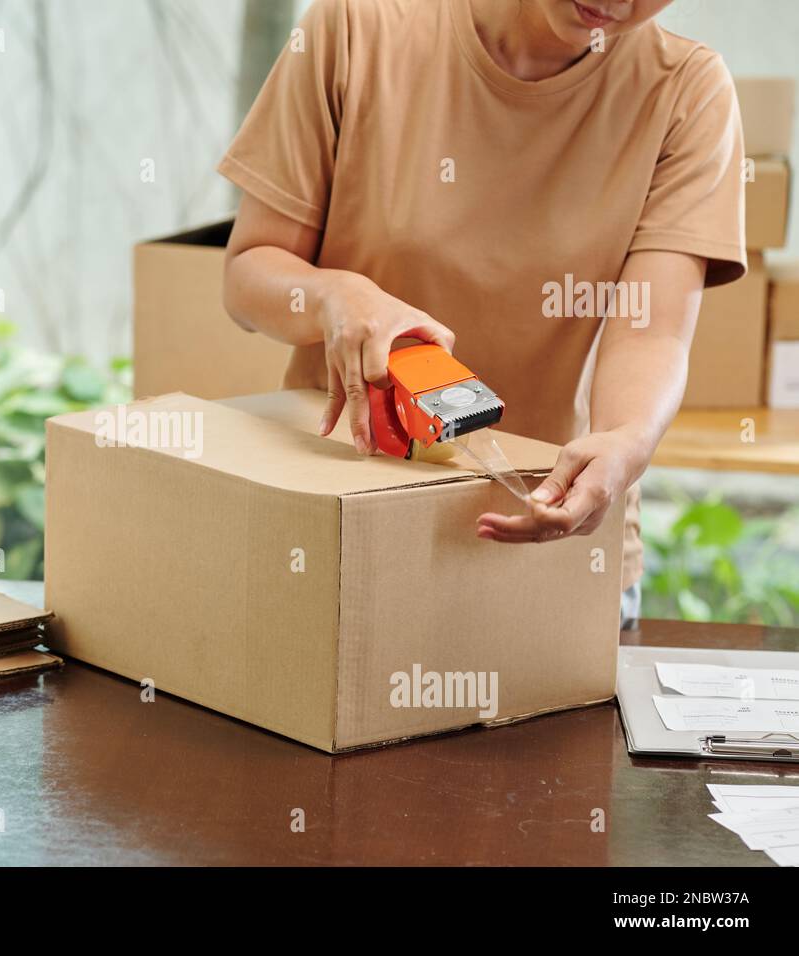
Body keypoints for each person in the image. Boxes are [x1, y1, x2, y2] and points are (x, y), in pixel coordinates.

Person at [219, 0, 747, 628]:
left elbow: (651, 330)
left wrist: (627, 439)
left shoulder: (686, 91)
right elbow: (250, 272)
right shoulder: (357, 28)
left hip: (551, 539)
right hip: (338, 527)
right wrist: (335, 295)